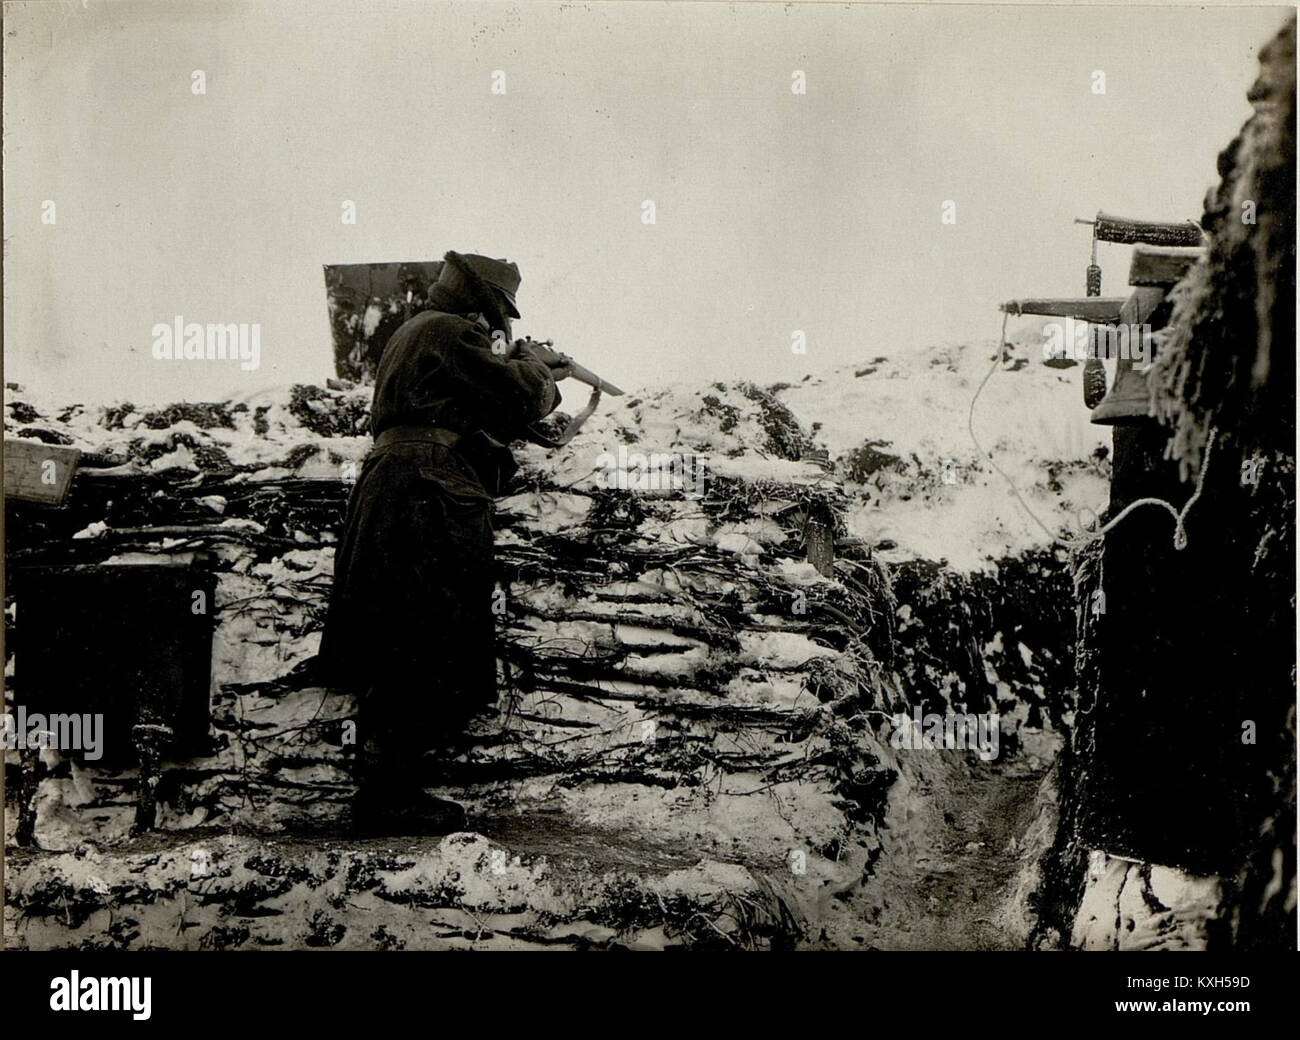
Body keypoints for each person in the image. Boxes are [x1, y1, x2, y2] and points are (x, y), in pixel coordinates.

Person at [319, 250, 570, 835]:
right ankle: (390, 798)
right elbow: (523, 397)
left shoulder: (418, 334)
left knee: (400, 635)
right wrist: (534, 360)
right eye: (496, 311)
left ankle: (386, 791)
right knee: (422, 631)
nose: (494, 322)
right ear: (482, 302)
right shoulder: (449, 332)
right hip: (428, 491)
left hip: (402, 484)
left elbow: (487, 412)